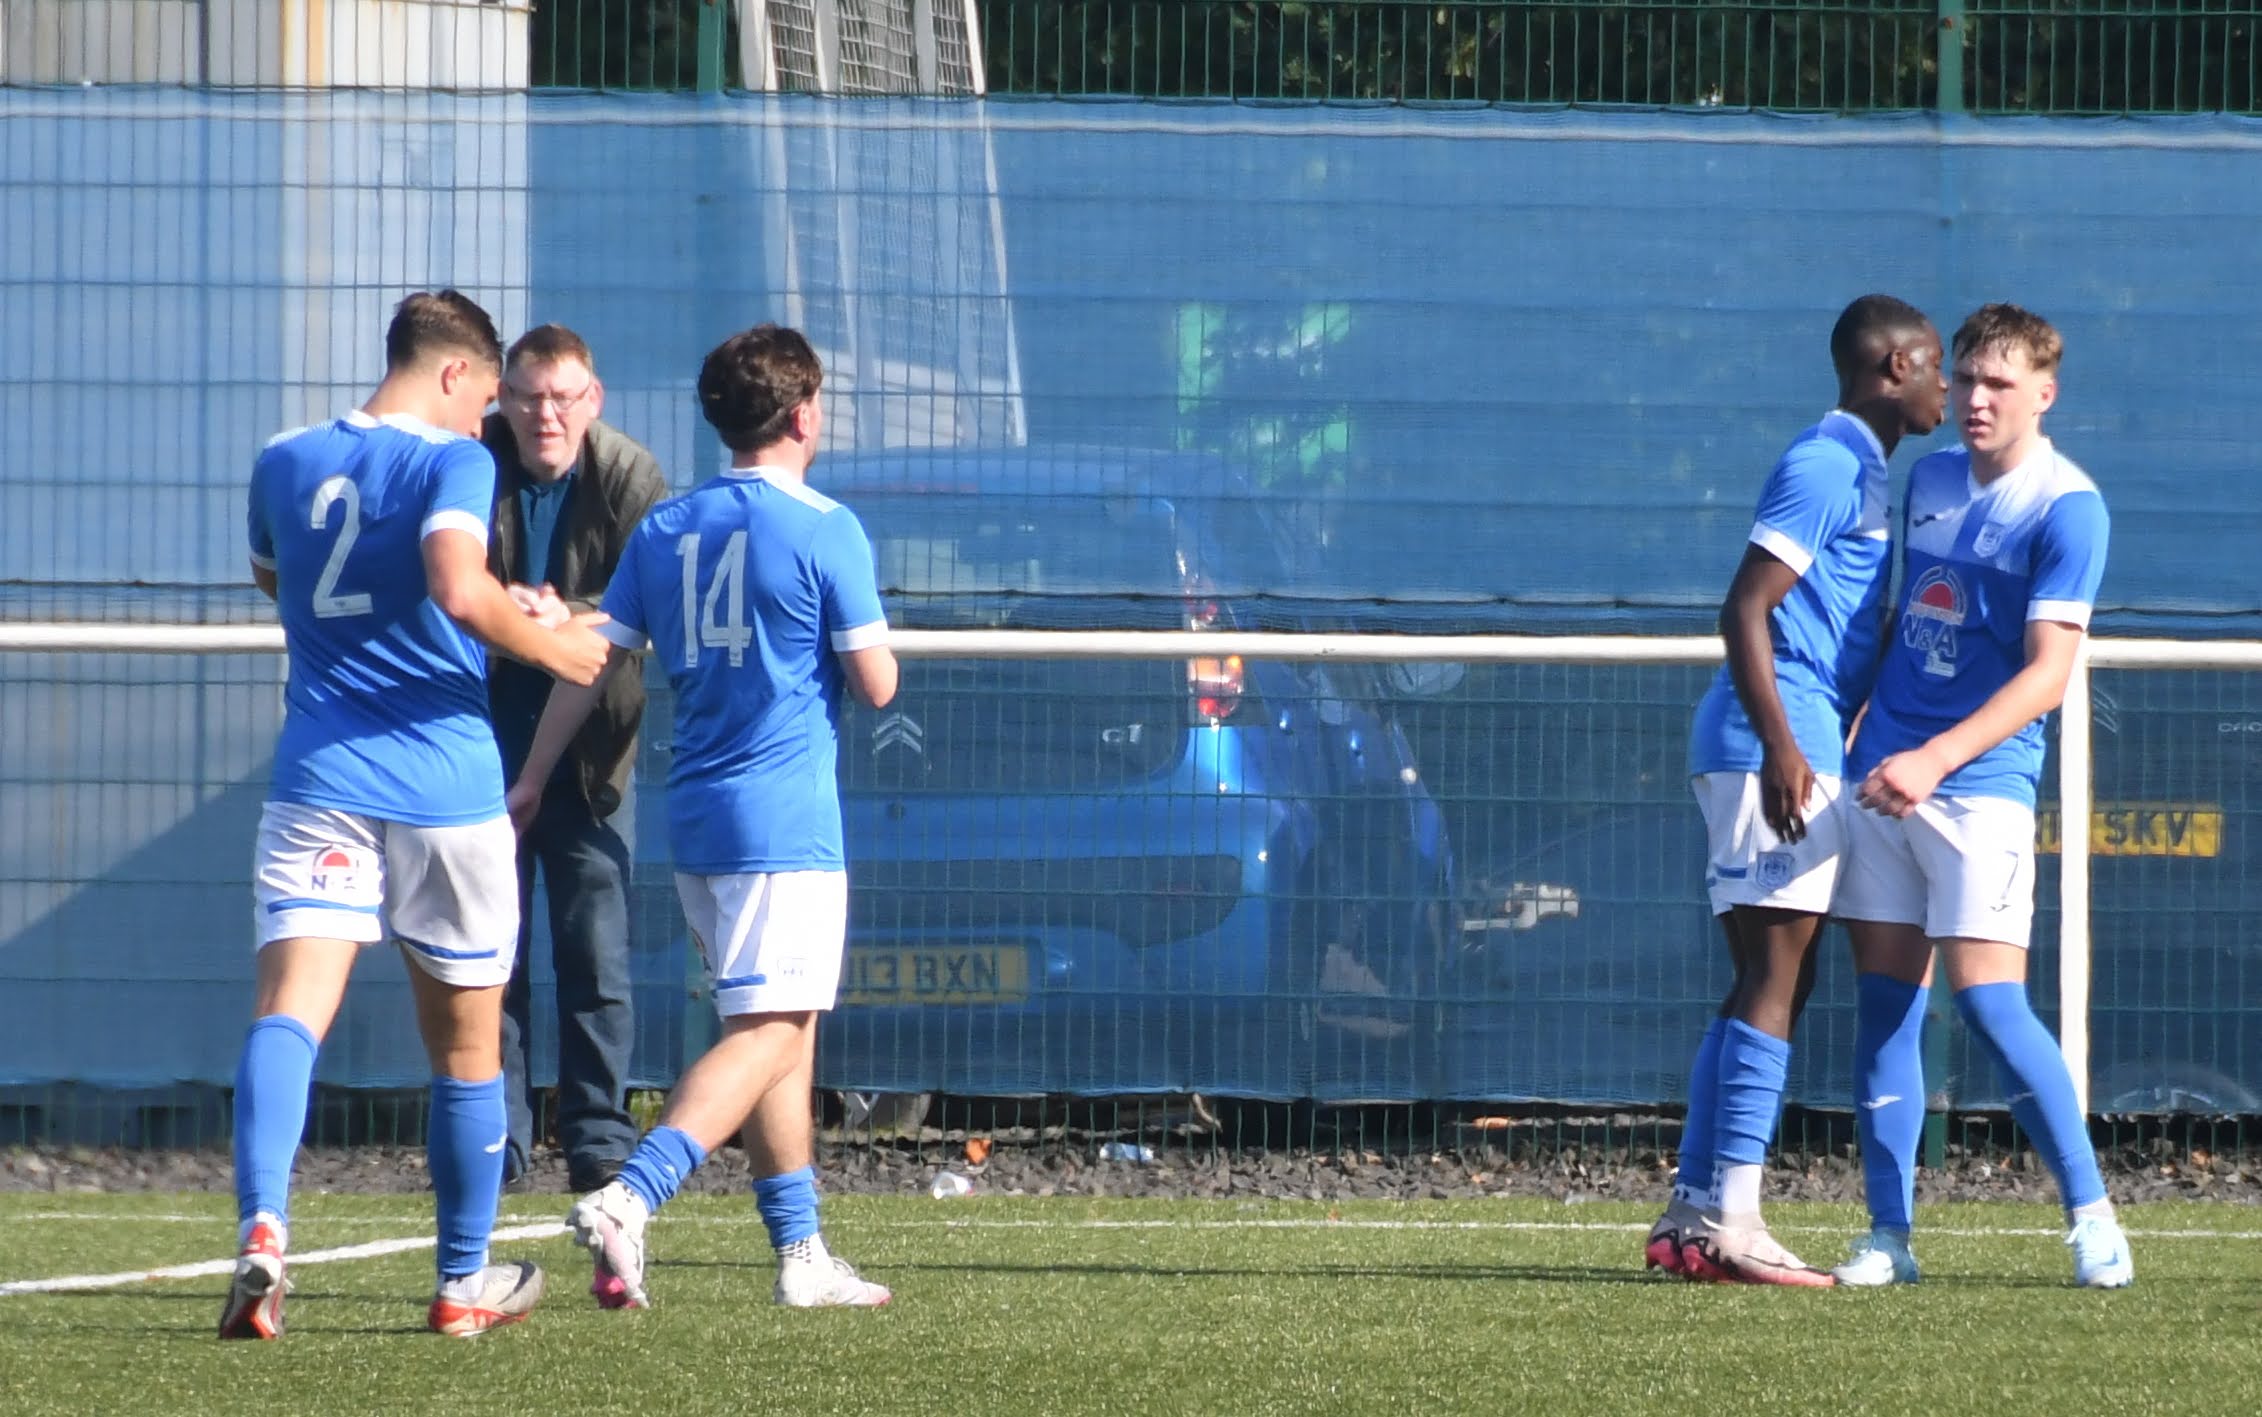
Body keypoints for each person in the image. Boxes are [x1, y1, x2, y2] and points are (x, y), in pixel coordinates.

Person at [220, 290, 614, 1340]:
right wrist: (550, 640)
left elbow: (279, 578)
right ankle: (459, 1281)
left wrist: (488, 597)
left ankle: (263, 1229)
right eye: (487, 395)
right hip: (444, 785)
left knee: (288, 1011)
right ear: (454, 374)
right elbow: (450, 582)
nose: (488, 418)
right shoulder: (455, 462)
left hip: (319, 778)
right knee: (468, 1049)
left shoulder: (284, 459)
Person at [508, 324, 900, 1310]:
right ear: (806, 415)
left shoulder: (667, 527)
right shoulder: (825, 526)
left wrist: (532, 775)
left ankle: (800, 1252)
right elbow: (879, 683)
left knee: (778, 1029)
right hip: (784, 824)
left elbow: (591, 657)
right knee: (773, 1032)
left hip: (699, 820)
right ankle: (629, 1197)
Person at [1829, 303, 2131, 1288]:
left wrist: (1938, 759)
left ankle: (2093, 1218)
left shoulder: (2068, 506)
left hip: (1979, 788)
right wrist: (1859, 716)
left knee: (1995, 1007)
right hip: (1884, 776)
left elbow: (2047, 675)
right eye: (1965, 379)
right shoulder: (1929, 478)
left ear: (2045, 393)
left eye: (2000, 383)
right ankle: (1890, 1236)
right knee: (1884, 1012)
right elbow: (1906, 618)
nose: (1975, 399)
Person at [1650, 294, 1947, 1286]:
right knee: (1776, 979)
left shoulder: (1863, 468)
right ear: (1892, 368)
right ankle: (1735, 1218)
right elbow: (1744, 606)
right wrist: (1783, 748)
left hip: (1788, 743)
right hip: (1769, 748)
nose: (1948, 384)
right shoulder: (1826, 462)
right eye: (1937, 363)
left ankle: (1694, 1212)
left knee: (1767, 979)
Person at [483, 324, 666, 1195]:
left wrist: (561, 618)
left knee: (594, 952)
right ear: (501, 398)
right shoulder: (469, 461)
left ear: (593, 400)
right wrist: (506, 610)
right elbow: (441, 586)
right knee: (489, 952)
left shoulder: (632, 475)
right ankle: (498, 1138)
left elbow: (642, 612)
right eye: (527, 395)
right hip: (481, 737)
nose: (544, 414)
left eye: (562, 396)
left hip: (595, 750)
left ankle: (597, 1137)